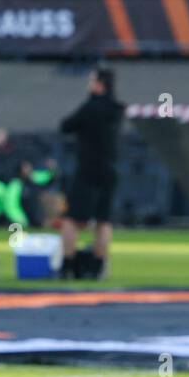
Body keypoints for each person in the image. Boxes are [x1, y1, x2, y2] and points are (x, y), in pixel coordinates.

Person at [59, 67, 124, 280]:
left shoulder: (90, 107)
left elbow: (66, 126)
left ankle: (68, 265)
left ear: (99, 84)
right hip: (110, 170)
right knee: (103, 221)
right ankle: (98, 267)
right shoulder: (116, 109)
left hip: (87, 170)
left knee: (70, 219)